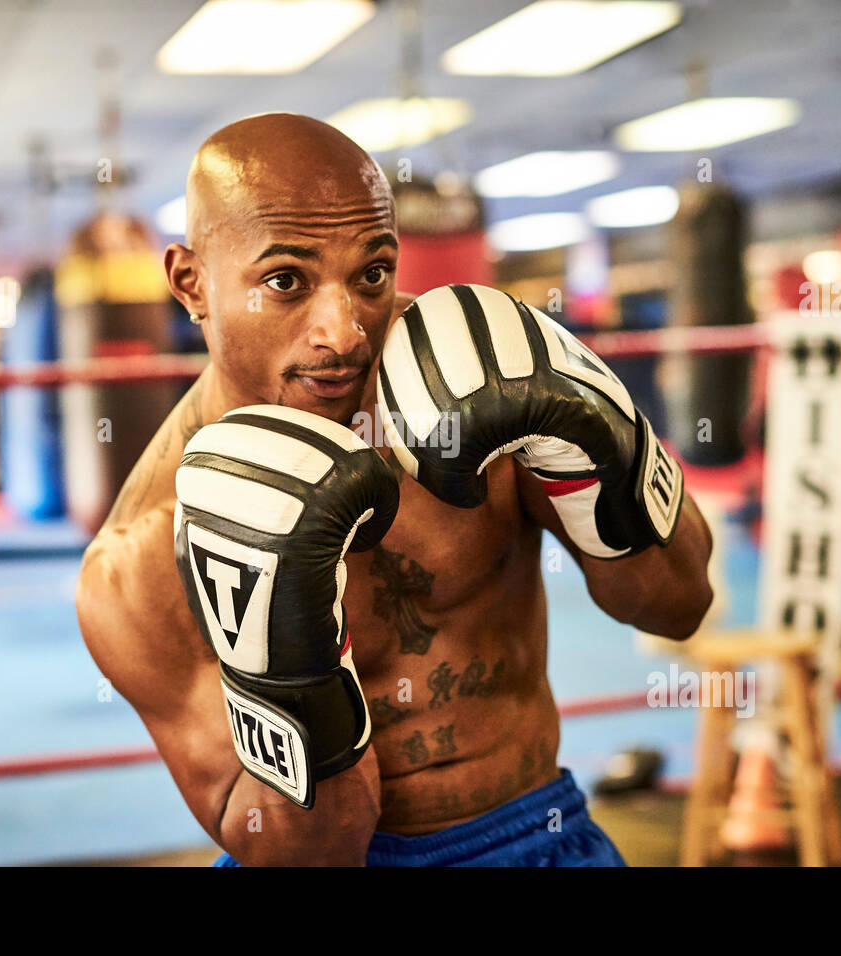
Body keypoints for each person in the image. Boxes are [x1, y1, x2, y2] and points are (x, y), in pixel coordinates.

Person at [75, 112, 715, 866]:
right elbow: (310, 852)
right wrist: (289, 665)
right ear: (192, 283)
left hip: (536, 831)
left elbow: (679, 606)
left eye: (371, 274)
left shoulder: (486, 377)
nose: (345, 332)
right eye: (286, 281)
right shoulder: (143, 558)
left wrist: (597, 436)